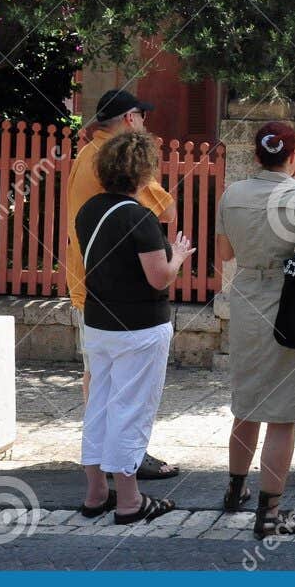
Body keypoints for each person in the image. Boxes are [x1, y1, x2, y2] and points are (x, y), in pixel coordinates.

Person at [214, 120, 295, 538]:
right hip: (292, 303)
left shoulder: (232, 194)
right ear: (293, 153)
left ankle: (234, 490)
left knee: (247, 401)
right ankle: (270, 513)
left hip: (247, 296)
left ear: (256, 152)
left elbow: (226, 251)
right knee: (282, 414)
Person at [73, 130, 193, 524]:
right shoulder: (139, 216)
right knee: (131, 410)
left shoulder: (88, 210)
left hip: (99, 322)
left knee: (100, 407)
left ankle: (96, 493)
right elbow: (158, 277)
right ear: (143, 173)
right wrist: (177, 255)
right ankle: (129, 501)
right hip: (139, 327)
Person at [65, 87, 179, 481]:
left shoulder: (87, 153)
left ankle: (101, 473)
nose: (146, 124)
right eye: (142, 117)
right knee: (126, 389)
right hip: (119, 294)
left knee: (100, 381)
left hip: (91, 285)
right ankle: (127, 463)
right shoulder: (116, 159)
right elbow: (165, 210)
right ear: (130, 119)